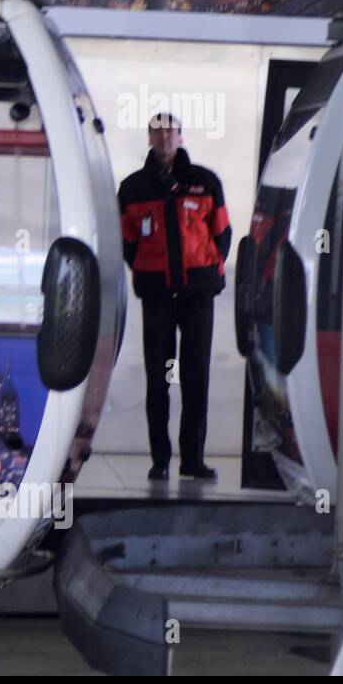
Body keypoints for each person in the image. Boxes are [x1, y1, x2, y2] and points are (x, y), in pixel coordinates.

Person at [117, 113, 231, 481]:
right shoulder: (133, 188)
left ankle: (193, 460)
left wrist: (202, 270)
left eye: (171, 130)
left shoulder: (205, 181)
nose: (165, 136)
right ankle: (160, 460)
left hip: (198, 294)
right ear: (149, 138)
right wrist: (153, 271)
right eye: (157, 130)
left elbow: (223, 236)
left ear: (180, 136)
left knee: (196, 378)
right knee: (159, 378)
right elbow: (128, 243)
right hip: (158, 296)